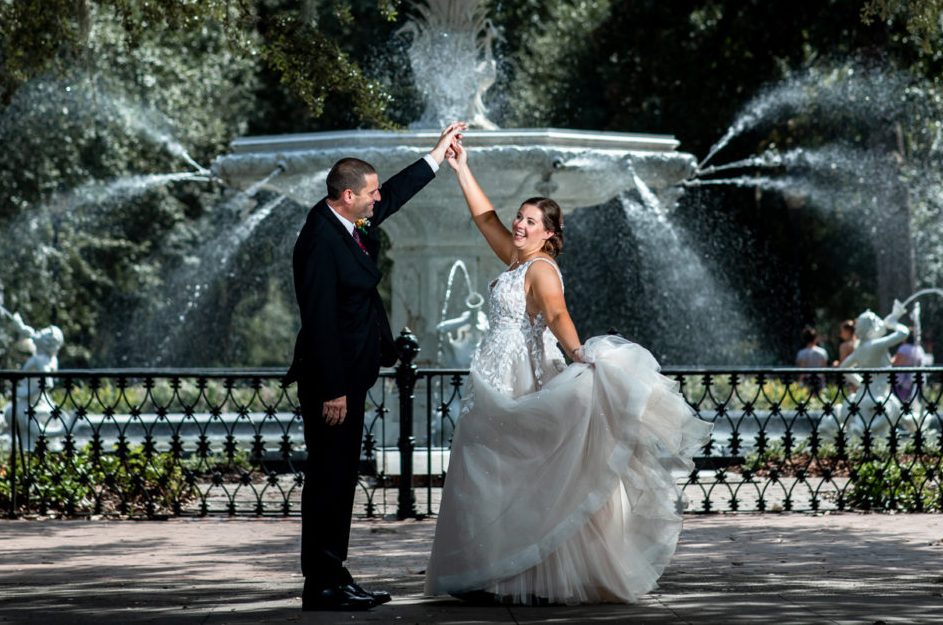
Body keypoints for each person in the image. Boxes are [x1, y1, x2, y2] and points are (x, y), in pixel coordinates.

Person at [424, 136, 712, 605]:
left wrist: (577, 351)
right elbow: (485, 219)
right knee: (486, 473)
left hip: (517, 379)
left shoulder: (540, 269)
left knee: (511, 473)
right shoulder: (517, 260)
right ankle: (489, 570)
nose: (518, 223)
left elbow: (557, 315)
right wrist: (461, 169)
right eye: (520, 216)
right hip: (492, 378)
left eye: (530, 221)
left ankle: (516, 574)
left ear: (549, 235)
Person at [283, 121, 466, 613]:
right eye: (370, 193)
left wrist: (435, 155)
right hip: (331, 382)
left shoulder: (345, 220)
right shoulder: (320, 239)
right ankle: (321, 586)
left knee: (340, 478)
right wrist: (334, 390)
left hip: (349, 375)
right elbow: (318, 321)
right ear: (347, 195)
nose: (376, 199)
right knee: (328, 480)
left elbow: (394, 197)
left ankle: (333, 576)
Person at [794, 325, 828, 391]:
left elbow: (802, 371)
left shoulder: (801, 353)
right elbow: (824, 370)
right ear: (815, 339)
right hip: (819, 381)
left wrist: (799, 383)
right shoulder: (823, 352)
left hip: (807, 381)